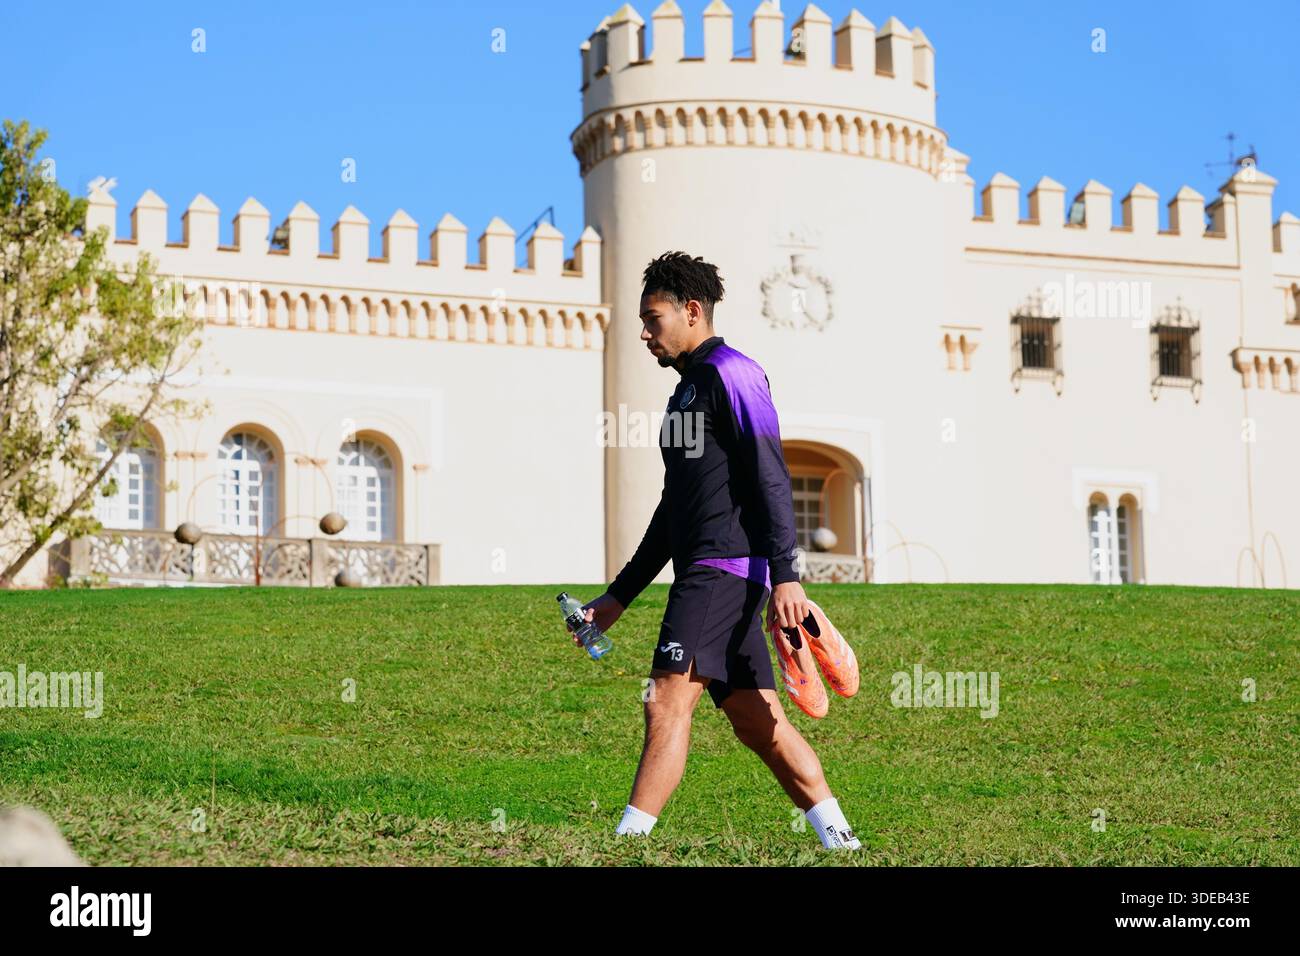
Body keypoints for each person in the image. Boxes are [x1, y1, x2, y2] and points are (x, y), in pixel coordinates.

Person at [573, 251, 861, 850]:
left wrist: (787, 576)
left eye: (654, 319)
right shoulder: (683, 397)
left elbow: (771, 476)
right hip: (709, 573)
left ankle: (626, 847)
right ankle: (841, 840)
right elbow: (671, 513)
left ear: (692, 311)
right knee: (761, 724)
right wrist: (619, 597)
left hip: (721, 573)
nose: (646, 333)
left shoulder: (735, 373)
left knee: (665, 702)